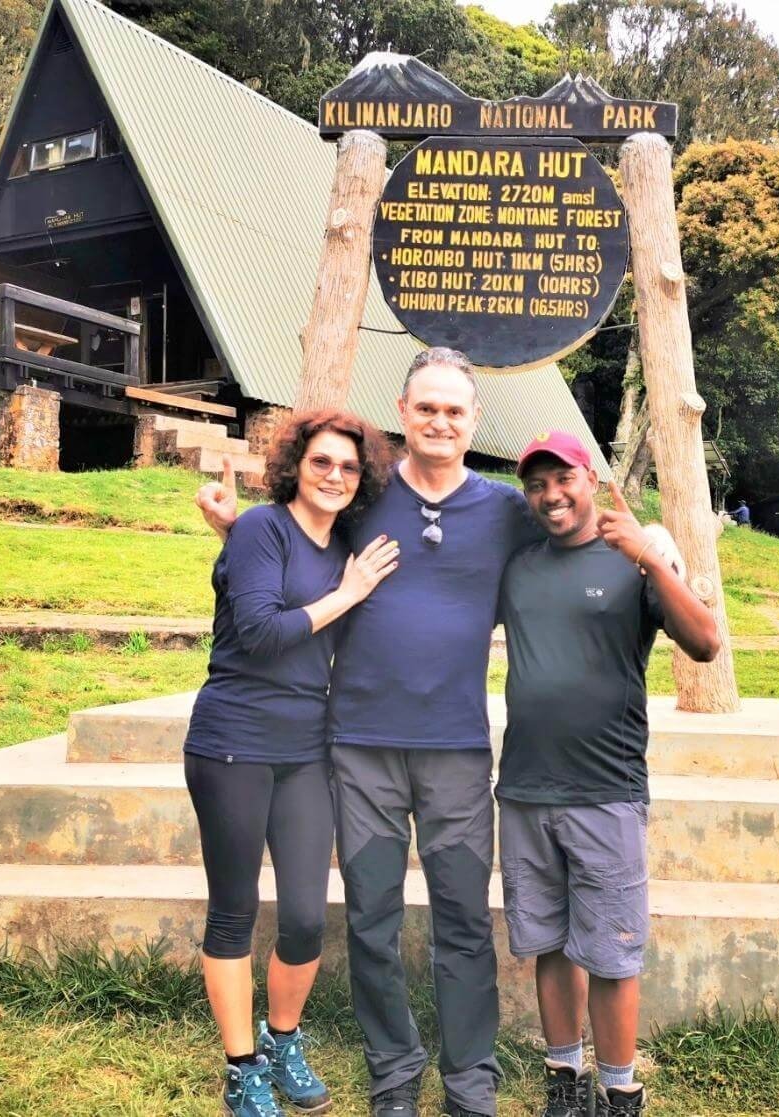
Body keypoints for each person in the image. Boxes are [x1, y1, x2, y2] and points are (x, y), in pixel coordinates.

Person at [199, 349, 528, 1117]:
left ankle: (470, 1077)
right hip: (359, 744)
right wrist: (234, 530)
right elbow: (290, 551)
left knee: (463, 920)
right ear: (403, 413)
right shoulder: (364, 497)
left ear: (474, 420)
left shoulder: (506, 508)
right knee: (374, 918)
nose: (441, 422)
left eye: (455, 410)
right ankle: (392, 1069)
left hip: (455, 747)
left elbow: (568, 544)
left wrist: (652, 546)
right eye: (426, 408)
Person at [183, 410, 399, 1117]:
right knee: (234, 911)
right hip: (233, 743)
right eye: (321, 462)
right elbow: (259, 630)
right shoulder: (262, 528)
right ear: (294, 467)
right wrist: (347, 593)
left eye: (347, 466)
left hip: (305, 751)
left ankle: (282, 1039)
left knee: (306, 916)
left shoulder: (341, 543)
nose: (335, 475)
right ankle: (241, 1067)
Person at [499, 432, 719, 1117]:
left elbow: (706, 641)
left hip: (606, 791)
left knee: (614, 952)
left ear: (589, 477)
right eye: (536, 484)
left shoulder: (633, 560)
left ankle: (620, 1088)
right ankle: (564, 1080)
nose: (551, 494)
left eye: (562, 478)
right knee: (550, 944)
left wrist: (652, 558)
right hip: (526, 789)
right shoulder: (519, 567)